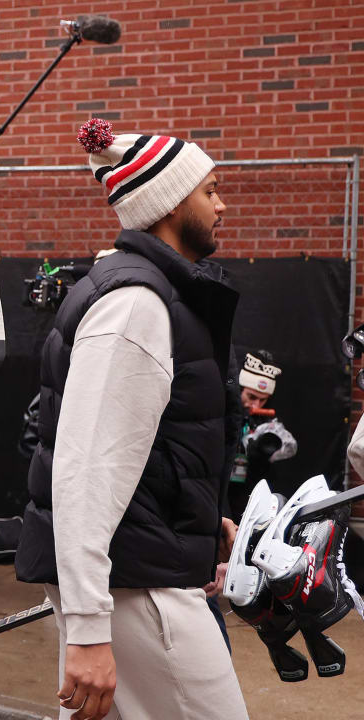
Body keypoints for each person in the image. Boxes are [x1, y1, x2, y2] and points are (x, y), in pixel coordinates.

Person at [15, 118, 247, 720]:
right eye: (210, 190)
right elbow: (87, 469)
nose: (222, 205)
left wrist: (201, 520)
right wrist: (90, 627)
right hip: (135, 586)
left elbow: (154, 445)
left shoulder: (148, 294)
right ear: (170, 203)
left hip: (136, 567)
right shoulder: (136, 304)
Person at [228, 349, 298, 516]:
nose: (257, 405)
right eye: (251, 397)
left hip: (250, 499)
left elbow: (290, 447)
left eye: (263, 399)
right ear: (239, 389)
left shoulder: (268, 422)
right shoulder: (221, 414)